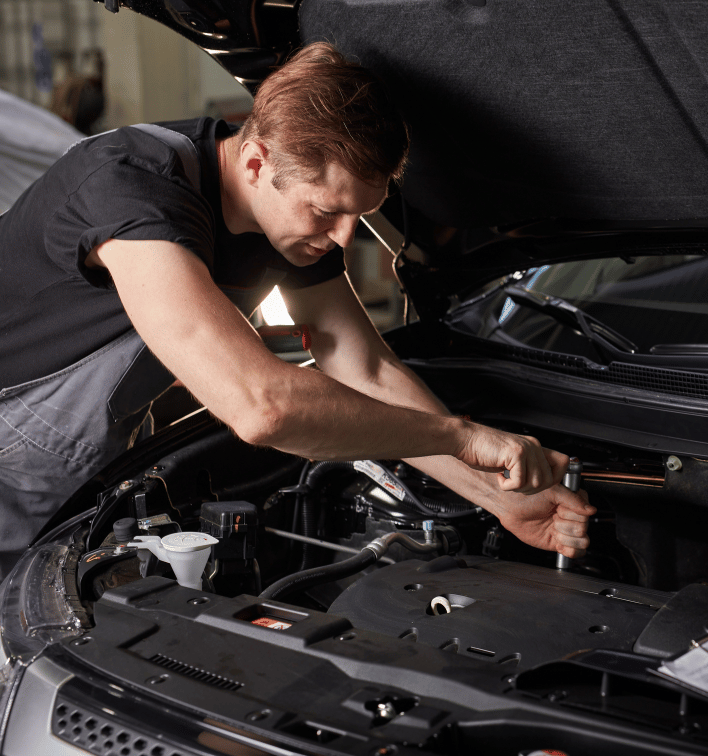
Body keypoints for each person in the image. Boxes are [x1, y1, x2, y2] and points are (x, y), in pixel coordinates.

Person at [0, 42, 594, 578]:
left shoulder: (281, 221)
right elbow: (262, 407)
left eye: (357, 216)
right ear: (258, 162)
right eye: (327, 212)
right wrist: (461, 437)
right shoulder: (131, 194)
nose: (342, 240)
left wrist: (499, 497)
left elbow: (367, 372)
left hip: (69, 475)